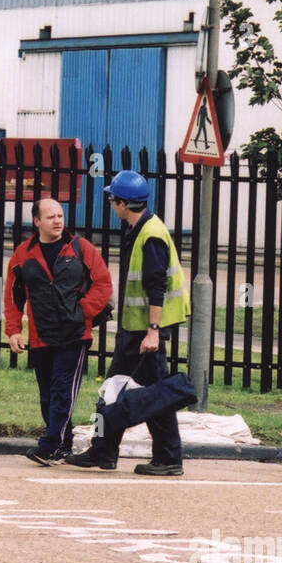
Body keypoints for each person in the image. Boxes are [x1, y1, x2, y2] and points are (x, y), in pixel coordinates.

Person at [66, 170, 191, 475]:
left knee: (154, 395)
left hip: (145, 333)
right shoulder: (138, 228)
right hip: (133, 330)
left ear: (122, 203)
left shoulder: (151, 236)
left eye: (112, 199)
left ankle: (168, 458)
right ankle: (103, 451)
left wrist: (153, 332)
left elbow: (156, 285)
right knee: (112, 390)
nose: (110, 203)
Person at [4, 197, 113, 466]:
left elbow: (103, 284)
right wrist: (14, 330)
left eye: (60, 215)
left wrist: (82, 311)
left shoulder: (81, 248)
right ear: (37, 221)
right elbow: (13, 296)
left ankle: (50, 444)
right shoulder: (23, 254)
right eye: (51, 217)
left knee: (63, 390)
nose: (58, 221)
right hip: (41, 336)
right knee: (47, 394)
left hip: (74, 335)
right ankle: (63, 446)